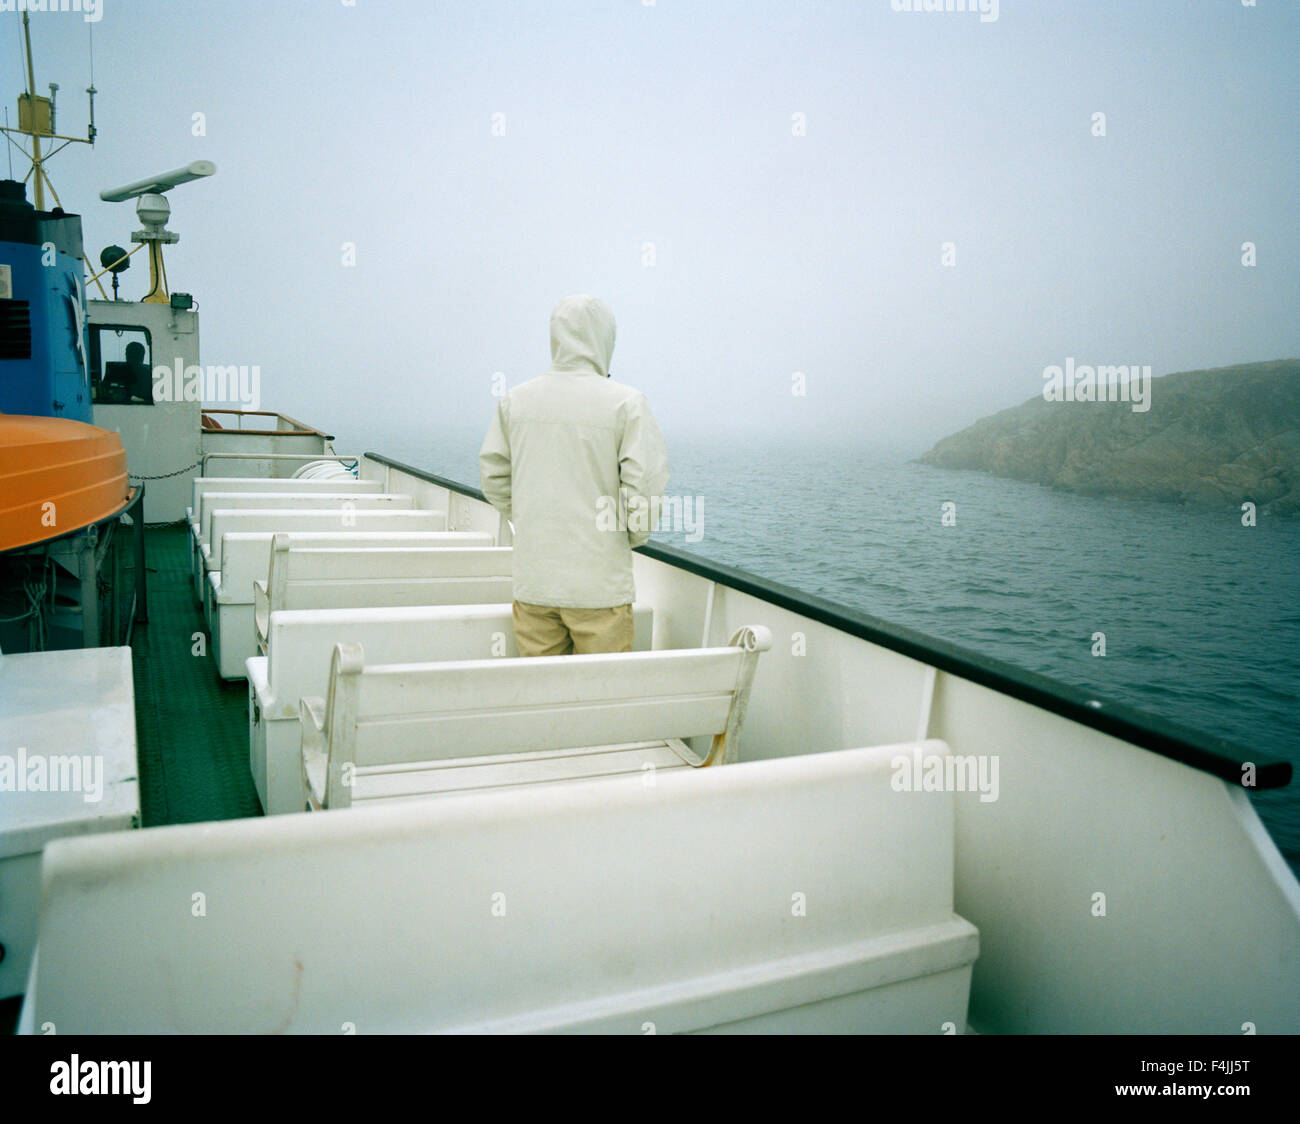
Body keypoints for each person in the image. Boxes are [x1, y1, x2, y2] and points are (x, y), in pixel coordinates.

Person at [479, 294, 669, 657]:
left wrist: (531, 519)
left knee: (545, 696)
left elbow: (494, 477)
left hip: (534, 584)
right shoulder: (627, 404)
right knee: (603, 698)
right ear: (606, 339)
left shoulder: (515, 401)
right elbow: (644, 486)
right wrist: (625, 537)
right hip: (599, 589)